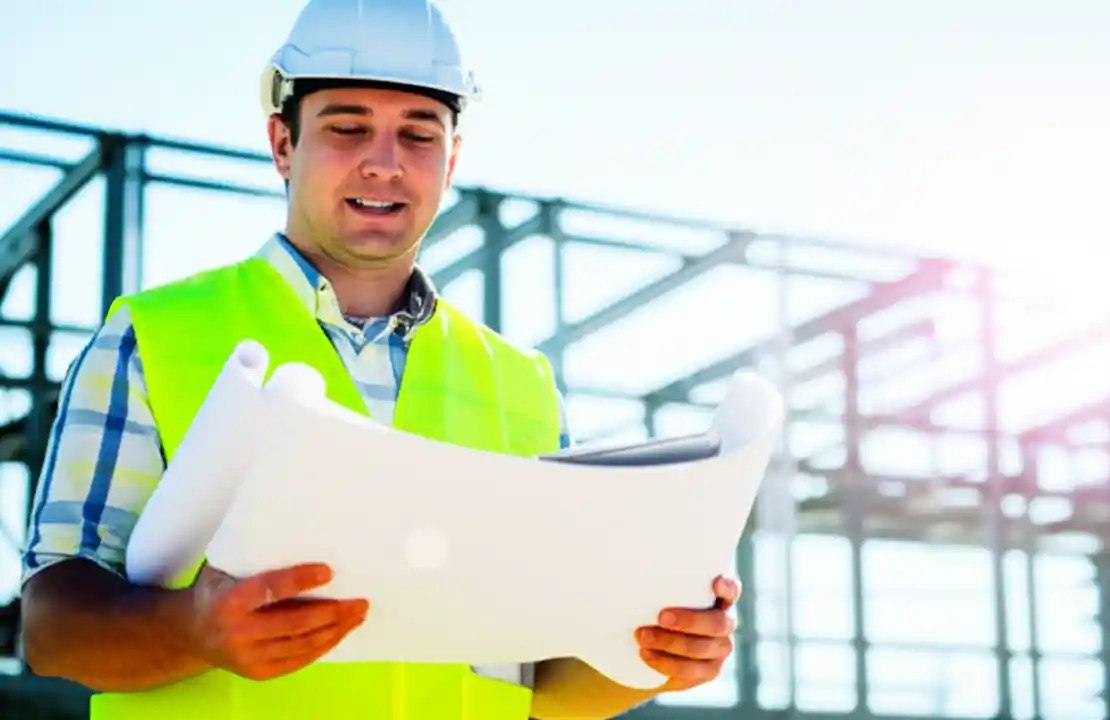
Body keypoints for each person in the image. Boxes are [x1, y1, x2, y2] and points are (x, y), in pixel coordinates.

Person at [18, 1, 740, 718]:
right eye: (348, 128)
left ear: (451, 161)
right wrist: (195, 632)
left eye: (418, 135)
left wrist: (655, 657)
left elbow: (539, 684)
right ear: (282, 144)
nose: (384, 163)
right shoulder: (152, 338)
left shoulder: (523, 385)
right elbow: (52, 630)